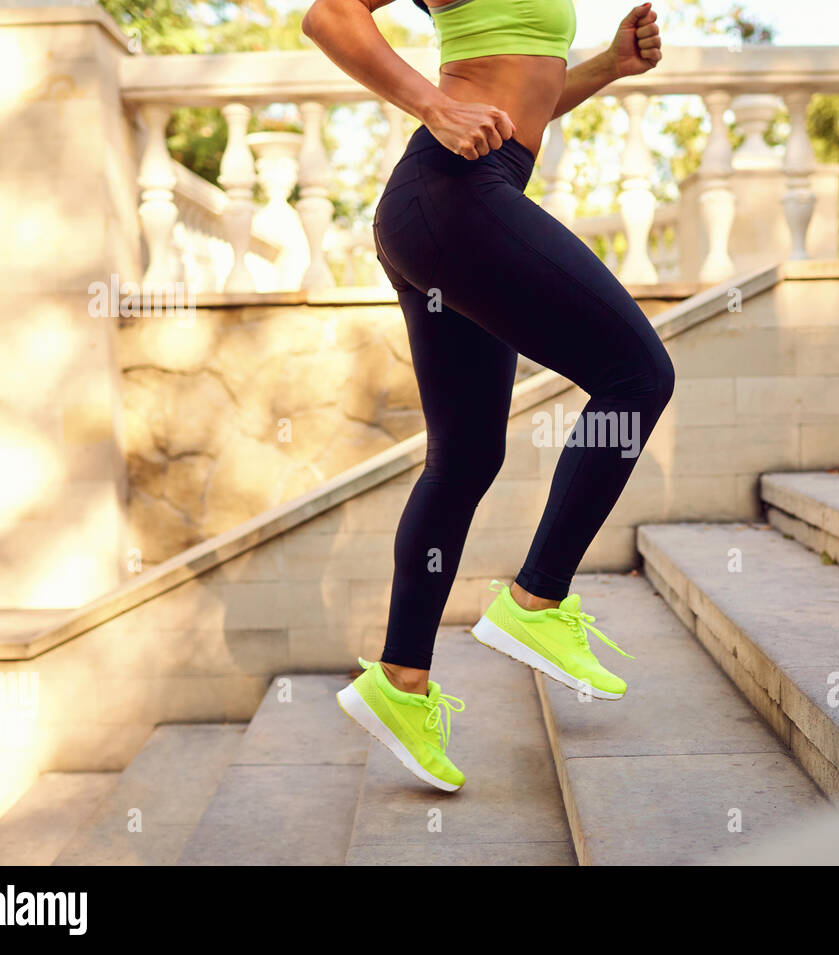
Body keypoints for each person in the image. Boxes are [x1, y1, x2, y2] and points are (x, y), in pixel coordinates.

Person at [303, 0, 673, 791]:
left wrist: (607, 66)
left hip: (455, 201)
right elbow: (329, 15)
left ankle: (400, 681)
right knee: (637, 376)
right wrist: (433, 104)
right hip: (453, 197)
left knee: (467, 454)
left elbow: (514, 102)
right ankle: (536, 599)